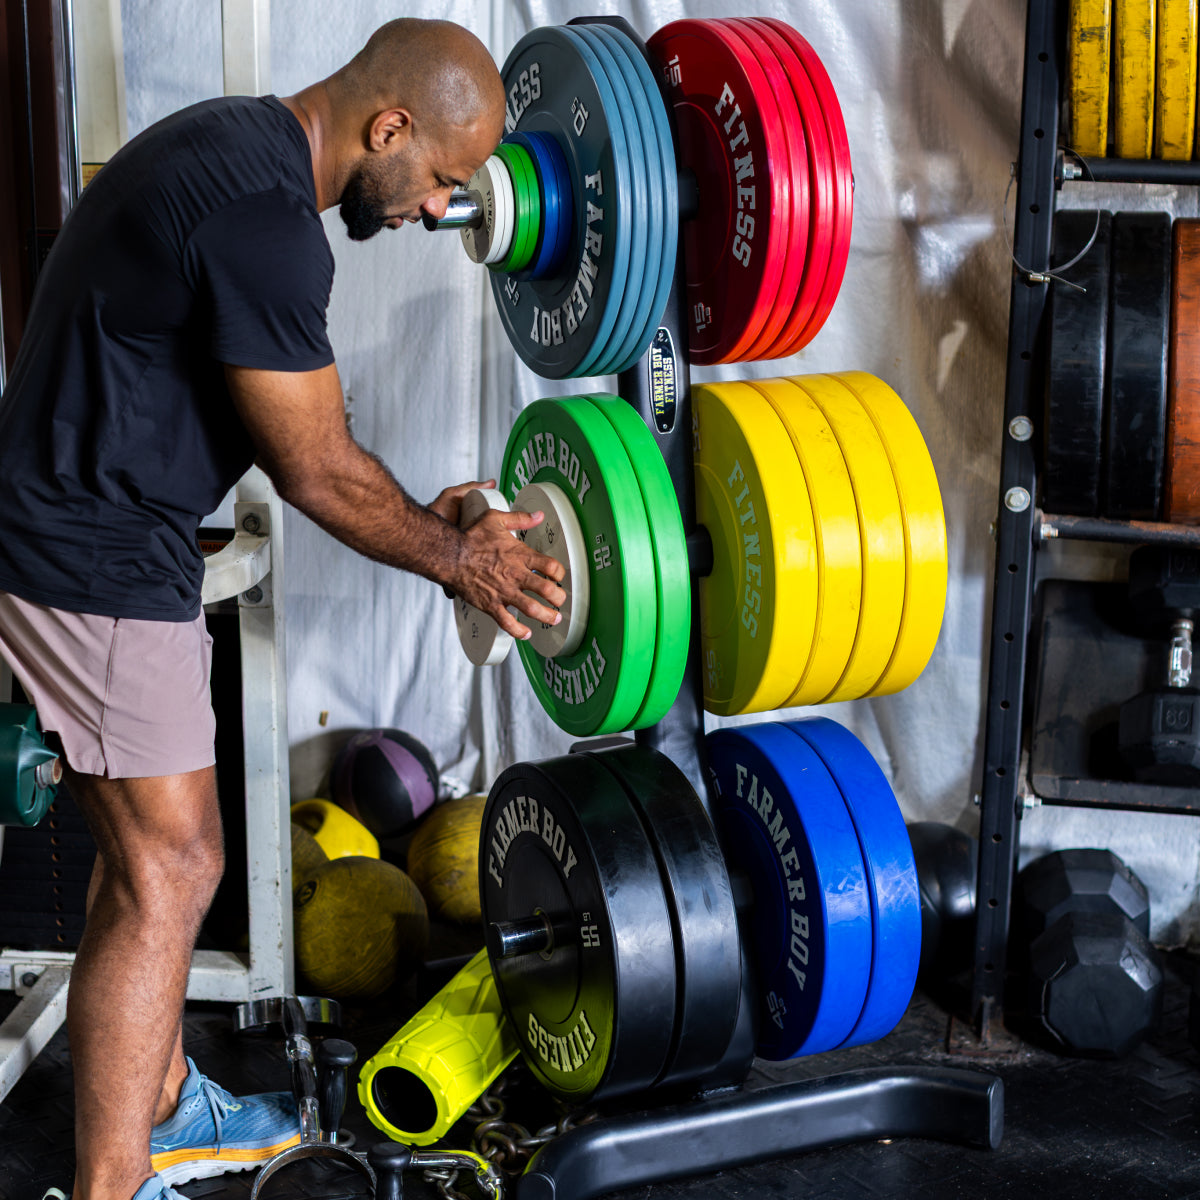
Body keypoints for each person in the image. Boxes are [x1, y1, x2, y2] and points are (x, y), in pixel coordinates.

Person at [0, 19, 564, 1200]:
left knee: (145, 856)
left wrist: (443, 517)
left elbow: (277, 425)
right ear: (390, 128)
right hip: (88, 558)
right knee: (175, 866)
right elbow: (313, 468)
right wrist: (463, 562)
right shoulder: (264, 225)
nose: (433, 213)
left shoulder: (232, 152)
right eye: (443, 183)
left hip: (103, 538)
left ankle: (160, 1099)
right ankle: (113, 1184)